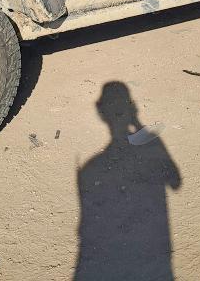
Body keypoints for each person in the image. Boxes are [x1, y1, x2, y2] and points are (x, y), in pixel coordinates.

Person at [74, 81, 182, 280]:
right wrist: (138, 122)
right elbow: (175, 182)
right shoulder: (91, 168)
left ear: (100, 112)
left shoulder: (90, 169)